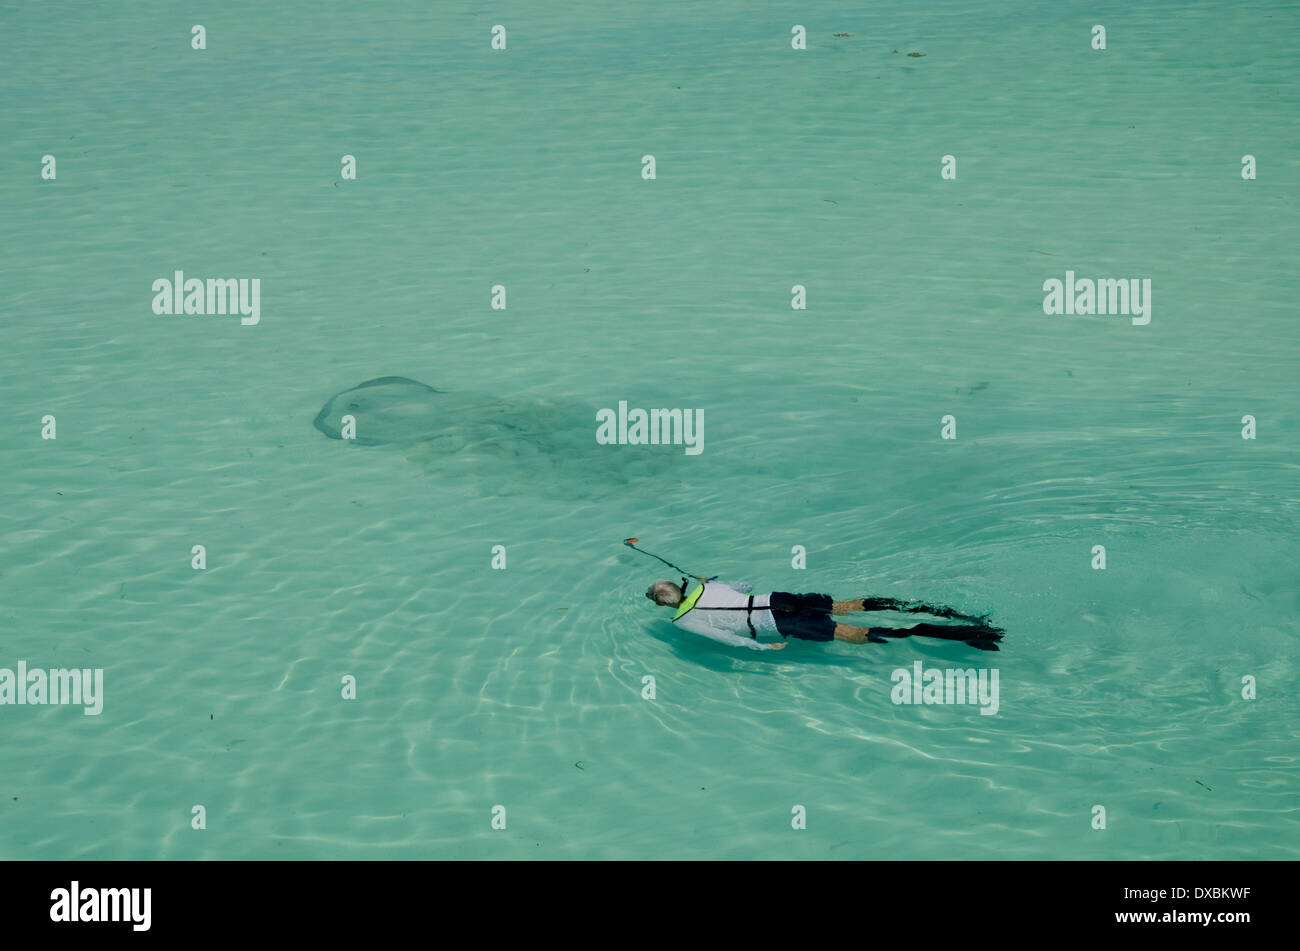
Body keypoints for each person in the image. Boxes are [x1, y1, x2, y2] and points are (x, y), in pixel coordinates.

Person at [644, 577, 1004, 652]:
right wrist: (711, 581)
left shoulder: (685, 621)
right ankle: (941, 611)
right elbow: (745, 583)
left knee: (853, 633)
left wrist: (763, 649)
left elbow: (726, 638)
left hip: (775, 623)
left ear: (664, 604)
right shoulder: (707, 586)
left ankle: (940, 631)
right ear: (680, 586)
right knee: (847, 606)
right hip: (779, 598)